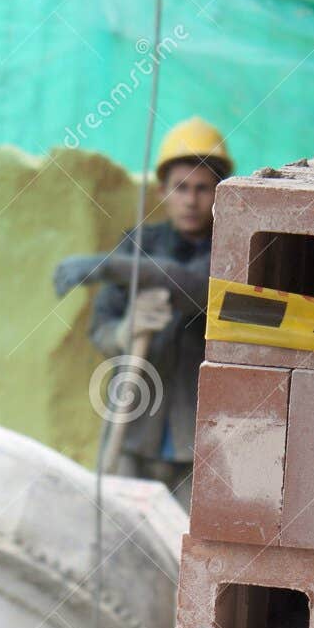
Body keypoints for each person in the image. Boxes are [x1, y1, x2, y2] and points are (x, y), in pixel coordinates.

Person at [87, 118, 232, 509]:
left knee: (186, 548)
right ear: (163, 191)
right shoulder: (137, 246)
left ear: (221, 193)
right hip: (136, 431)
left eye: (203, 189)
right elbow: (101, 326)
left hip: (200, 443)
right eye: (181, 188)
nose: (191, 200)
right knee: (117, 529)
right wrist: (125, 331)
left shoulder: (232, 254)